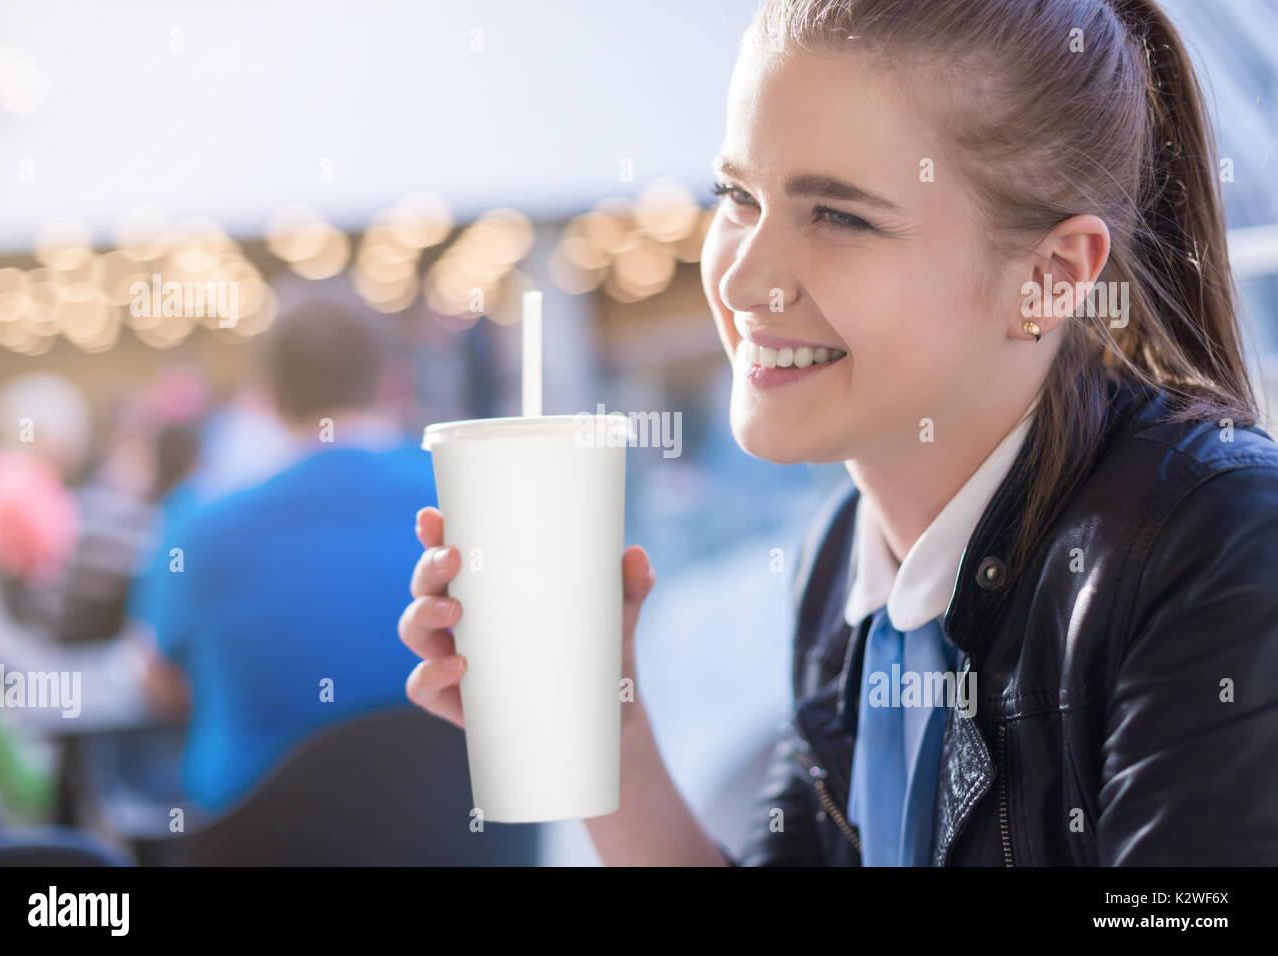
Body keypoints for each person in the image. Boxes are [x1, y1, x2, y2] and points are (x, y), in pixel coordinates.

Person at [399, 0, 1278, 866]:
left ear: (1049, 277)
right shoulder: (842, 567)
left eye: (839, 216)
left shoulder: (1220, 547)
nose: (744, 281)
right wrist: (605, 731)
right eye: (738, 196)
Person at [143, 300, 435, 812]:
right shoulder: (466, 502)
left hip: (253, 845)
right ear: (398, 384)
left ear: (268, 398)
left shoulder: (200, 522)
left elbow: (159, 682)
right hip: (460, 839)